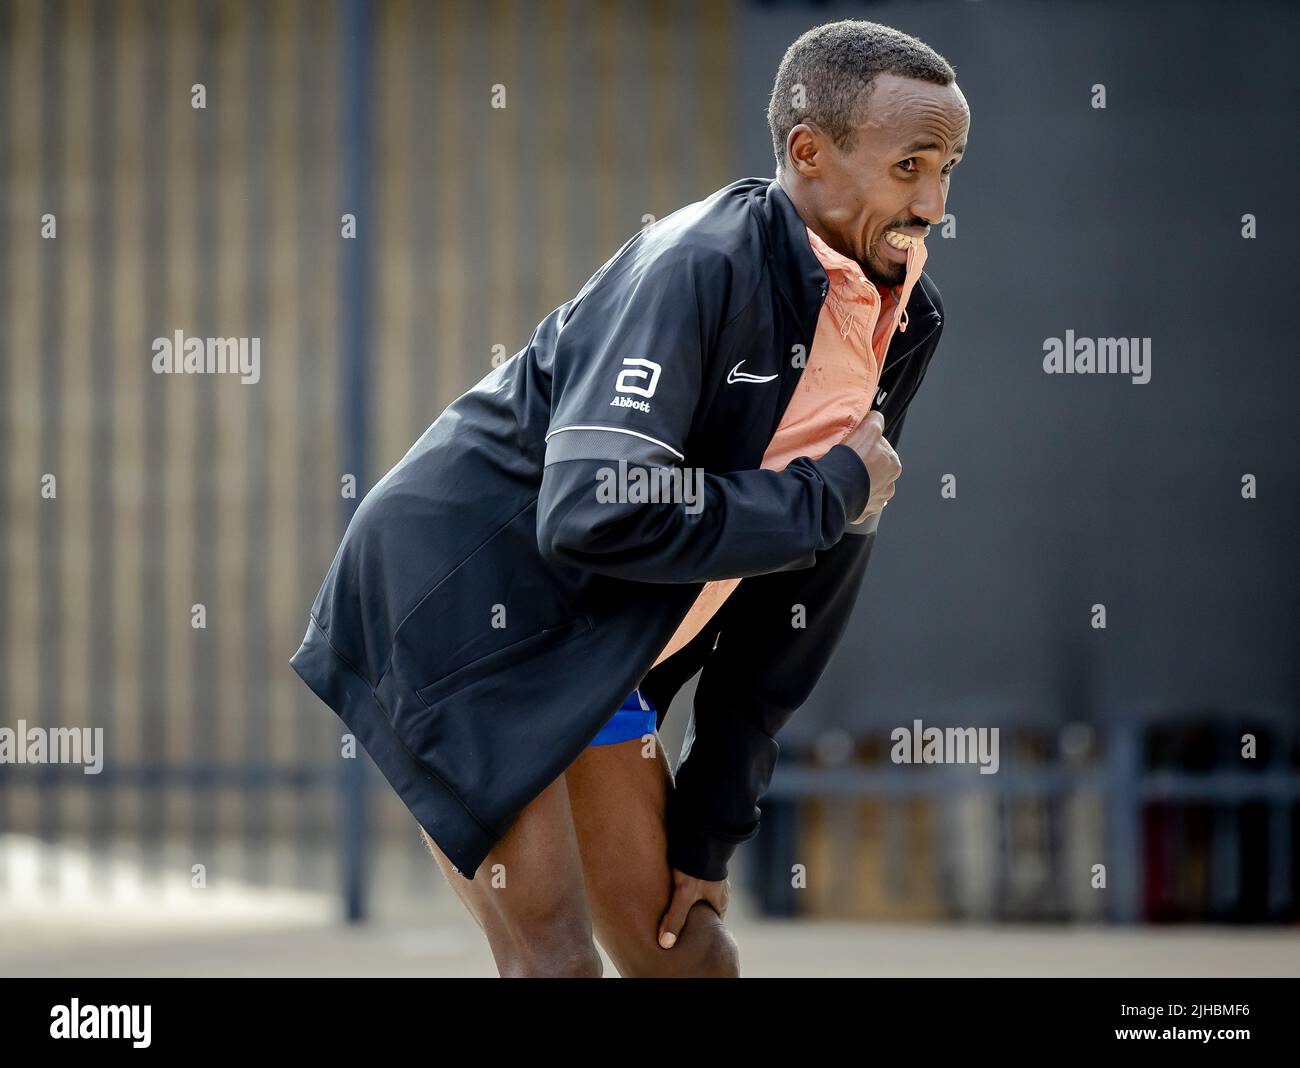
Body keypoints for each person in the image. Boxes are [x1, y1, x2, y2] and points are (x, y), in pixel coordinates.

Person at [290, 18, 969, 977]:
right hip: (465, 615)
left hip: (599, 643)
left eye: (949, 167)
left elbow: (808, 580)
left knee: (688, 957)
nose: (936, 201)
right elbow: (596, 509)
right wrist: (827, 498)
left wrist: (711, 823)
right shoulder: (698, 263)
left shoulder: (904, 315)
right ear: (809, 153)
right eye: (910, 166)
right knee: (558, 964)